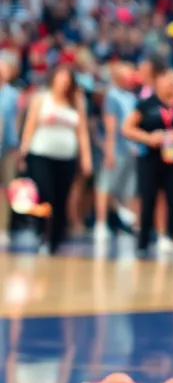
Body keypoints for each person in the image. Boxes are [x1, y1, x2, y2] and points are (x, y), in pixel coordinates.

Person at [122, 60, 173, 258]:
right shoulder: (146, 105)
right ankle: (144, 240)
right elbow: (127, 128)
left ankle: (172, 236)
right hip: (150, 158)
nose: (170, 85)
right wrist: (148, 138)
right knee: (149, 198)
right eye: (166, 81)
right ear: (157, 83)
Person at [17, 63, 91, 253]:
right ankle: (42, 231)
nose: (63, 84)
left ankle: (55, 239)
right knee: (45, 193)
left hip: (66, 157)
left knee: (61, 198)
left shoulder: (76, 101)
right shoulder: (42, 98)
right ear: (53, 80)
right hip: (40, 153)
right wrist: (23, 151)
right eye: (60, 79)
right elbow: (30, 125)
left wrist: (86, 158)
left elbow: (82, 132)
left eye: (67, 81)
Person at [96, 61, 139, 247]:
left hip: (132, 148)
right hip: (117, 148)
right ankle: (100, 224)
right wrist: (109, 150)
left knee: (128, 188)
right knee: (105, 186)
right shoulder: (112, 96)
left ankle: (126, 224)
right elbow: (111, 125)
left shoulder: (131, 96)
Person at [0, 54, 20, 248]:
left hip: (7, 148)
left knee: (7, 188)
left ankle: (3, 228)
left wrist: (17, 148)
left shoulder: (13, 94)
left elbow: (16, 122)